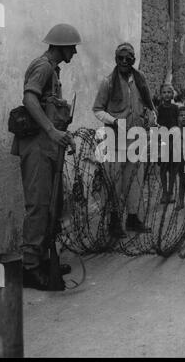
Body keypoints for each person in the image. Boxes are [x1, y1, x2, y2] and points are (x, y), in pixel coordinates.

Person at [10, 23, 81, 290]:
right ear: (60, 46)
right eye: (71, 47)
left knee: (51, 206)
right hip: (38, 147)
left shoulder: (54, 71)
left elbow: (51, 112)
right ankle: (30, 267)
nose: (74, 52)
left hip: (49, 147)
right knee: (39, 206)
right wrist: (52, 131)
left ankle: (41, 260)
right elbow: (30, 99)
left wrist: (62, 137)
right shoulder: (43, 67)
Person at [93, 43, 156, 236]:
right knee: (115, 181)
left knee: (135, 180)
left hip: (136, 138)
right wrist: (113, 121)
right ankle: (113, 221)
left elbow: (149, 104)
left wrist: (153, 116)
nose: (124, 62)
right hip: (115, 138)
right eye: (120, 58)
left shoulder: (140, 80)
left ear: (133, 60)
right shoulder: (108, 82)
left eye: (128, 58)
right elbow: (97, 110)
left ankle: (133, 218)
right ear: (116, 59)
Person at [157, 84, 179, 203]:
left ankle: (170, 192)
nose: (167, 94)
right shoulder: (158, 109)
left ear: (172, 94)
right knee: (163, 168)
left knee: (173, 168)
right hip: (162, 142)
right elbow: (156, 125)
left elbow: (178, 123)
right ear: (161, 94)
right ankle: (164, 192)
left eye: (169, 92)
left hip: (174, 141)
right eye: (164, 92)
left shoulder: (175, 108)